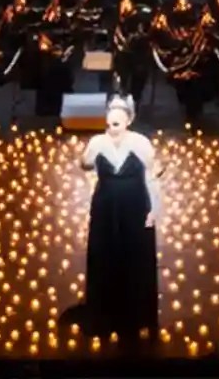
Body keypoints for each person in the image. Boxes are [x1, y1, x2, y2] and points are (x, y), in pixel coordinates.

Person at [79, 96, 161, 340]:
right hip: (106, 207)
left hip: (135, 205)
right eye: (108, 124)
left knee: (135, 256)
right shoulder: (97, 142)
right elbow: (84, 164)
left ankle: (136, 315)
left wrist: (155, 209)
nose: (111, 129)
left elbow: (153, 177)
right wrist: (89, 156)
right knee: (105, 254)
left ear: (128, 121)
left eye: (116, 124)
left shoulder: (141, 143)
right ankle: (103, 314)